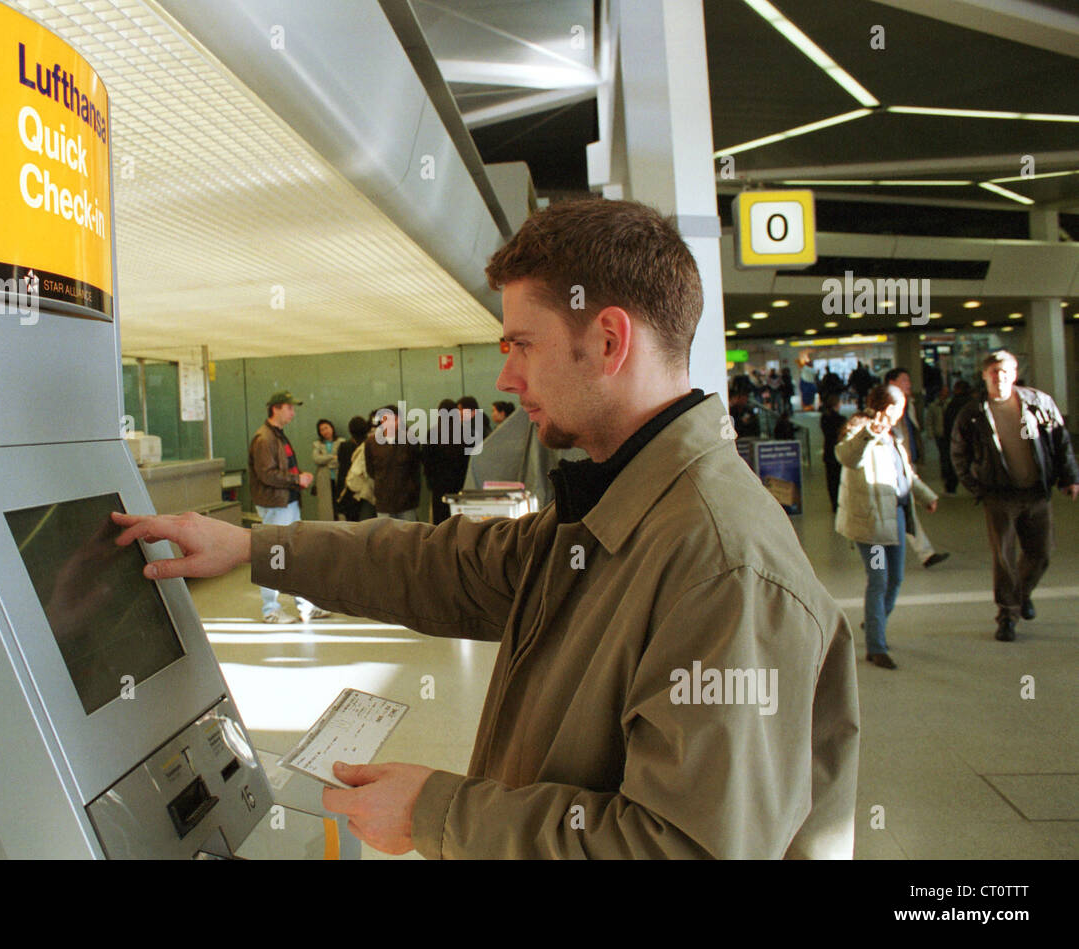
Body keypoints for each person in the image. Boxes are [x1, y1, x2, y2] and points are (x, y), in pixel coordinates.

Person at [111, 198, 859, 859]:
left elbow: (682, 848)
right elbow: (442, 565)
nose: (505, 378)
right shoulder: (618, 510)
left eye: (521, 344)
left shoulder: (722, 568)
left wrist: (435, 812)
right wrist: (253, 546)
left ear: (608, 340)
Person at [950, 350, 1079, 642]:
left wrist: (1070, 477)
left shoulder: (1038, 403)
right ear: (984, 375)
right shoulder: (973, 414)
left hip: (1037, 492)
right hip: (999, 496)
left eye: (1005, 370)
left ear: (1015, 372)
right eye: (994, 371)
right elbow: (958, 453)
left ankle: (1021, 594)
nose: (1000, 376)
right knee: (1004, 558)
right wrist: (976, 486)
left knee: (1042, 552)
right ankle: (1008, 615)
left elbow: (1061, 441)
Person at [835, 385, 940, 670]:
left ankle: (874, 622)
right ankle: (876, 646)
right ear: (888, 407)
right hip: (872, 525)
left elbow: (904, 475)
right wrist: (871, 433)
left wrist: (926, 496)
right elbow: (847, 457)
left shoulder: (894, 435)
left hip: (896, 518)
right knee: (879, 580)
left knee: (896, 579)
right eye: (900, 407)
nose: (901, 413)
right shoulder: (860, 429)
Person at [247, 392, 328, 623]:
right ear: (276, 409)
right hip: (276, 505)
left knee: (292, 554)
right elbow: (267, 474)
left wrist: (298, 479)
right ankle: (271, 610)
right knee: (275, 555)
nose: (293, 413)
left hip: (286, 503)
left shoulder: (277, 436)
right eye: (290, 408)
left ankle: (305, 606)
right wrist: (296, 479)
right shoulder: (264, 438)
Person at [885, 367, 949, 568]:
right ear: (891, 383)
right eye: (904, 380)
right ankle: (920, 554)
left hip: (903, 465)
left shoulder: (908, 405)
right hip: (888, 474)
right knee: (878, 576)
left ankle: (925, 554)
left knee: (905, 511)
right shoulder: (881, 413)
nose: (909, 384)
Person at [365, 404, 421, 521]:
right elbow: (370, 470)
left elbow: (415, 468)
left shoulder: (410, 440)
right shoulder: (371, 442)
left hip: (406, 498)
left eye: (394, 419)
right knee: (385, 534)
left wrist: (412, 490)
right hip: (383, 498)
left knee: (409, 533)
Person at [422, 399, 468, 525]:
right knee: (460, 520)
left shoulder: (433, 433)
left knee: (441, 521)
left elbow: (427, 460)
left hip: (439, 486)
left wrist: (430, 482)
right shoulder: (466, 433)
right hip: (460, 484)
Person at [335, 415, 375, 521]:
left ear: (350, 431)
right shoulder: (371, 445)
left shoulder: (344, 446)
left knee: (352, 524)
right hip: (367, 491)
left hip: (350, 490)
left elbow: (342, 471)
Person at [941, 380, 973, 494]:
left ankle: (951, 486)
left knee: (952, 463)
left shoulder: (952, 404)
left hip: (954, 438)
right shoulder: (972, 403)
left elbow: (947, 422)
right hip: (971, 439)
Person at [925, 386, 955, 494]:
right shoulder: (934, 406)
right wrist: (930, 433)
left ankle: (948, 474)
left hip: (949, 434)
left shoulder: (951, 405)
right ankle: (945, 473)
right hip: (940, 434)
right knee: (943, 455)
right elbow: (929, 421)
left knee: (949, 455)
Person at [311, 419, 342, 521]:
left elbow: (341, 460)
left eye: (326, 428)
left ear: (332, 428)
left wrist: (326, 459)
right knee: (326, 507)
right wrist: (332, 457)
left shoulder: (341, 442)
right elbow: (317, 459)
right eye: (322, 430)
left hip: (339, 478)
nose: (325, 431)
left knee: (340, 506)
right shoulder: (317, 444)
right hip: (324, 479)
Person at [820, 392, 845, 514]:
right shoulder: (841, 420)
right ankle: (841, 503)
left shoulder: (824, 418)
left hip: (828, 452)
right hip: (838, 452)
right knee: (839, 479)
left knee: (831, 480)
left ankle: (834, 503)